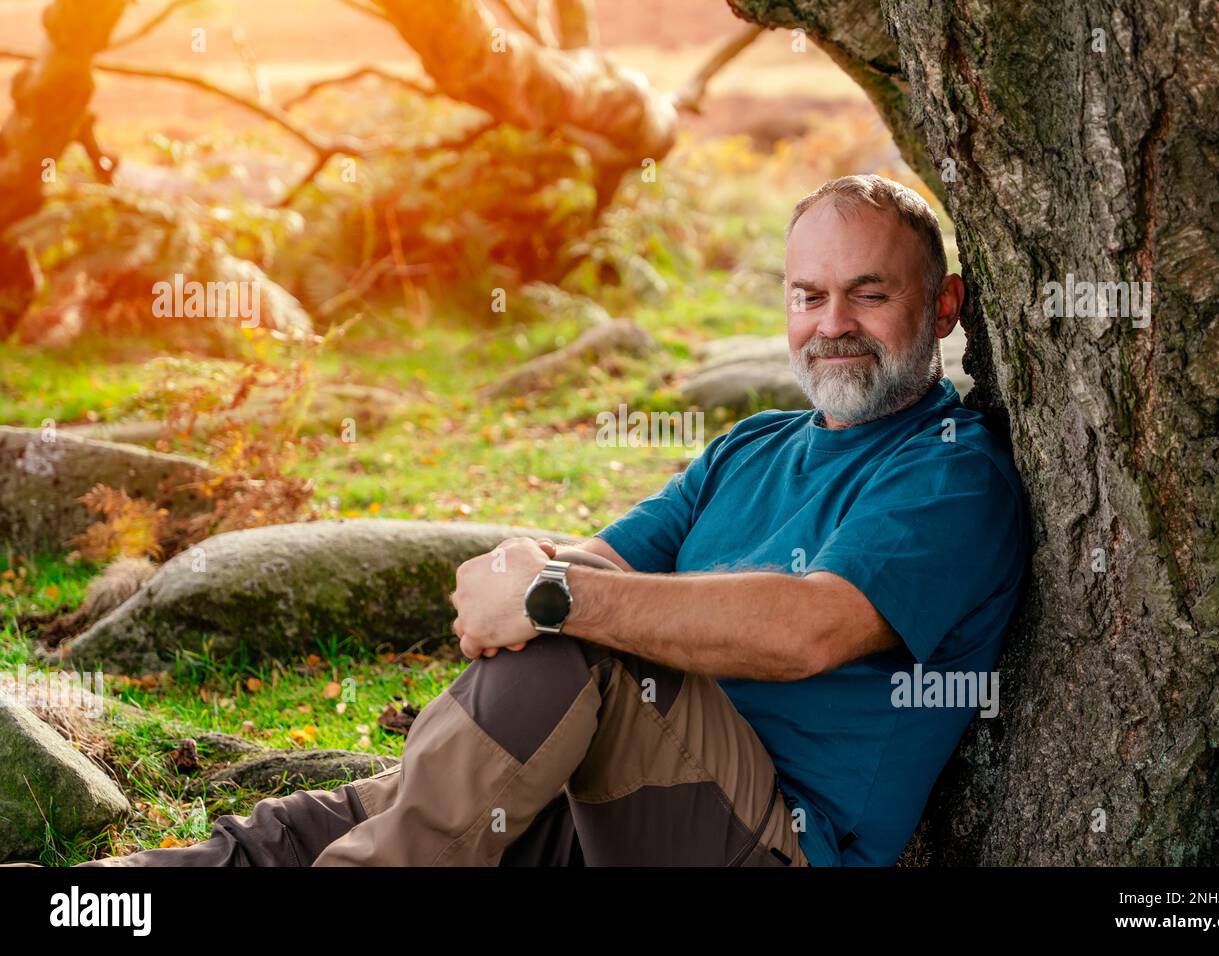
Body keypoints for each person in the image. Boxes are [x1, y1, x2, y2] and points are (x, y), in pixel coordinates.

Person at [76, 173, 1028, 868]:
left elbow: (811, 629)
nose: (833, 324)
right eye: (808, 295)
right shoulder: (752, 447)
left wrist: (550, 592)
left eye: (870, 293)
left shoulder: (951, 471)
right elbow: (597, 562)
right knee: (312, 829)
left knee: (565, 633)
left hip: (765, 838)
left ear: (942, 307)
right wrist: (520, 568)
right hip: (606, 788)